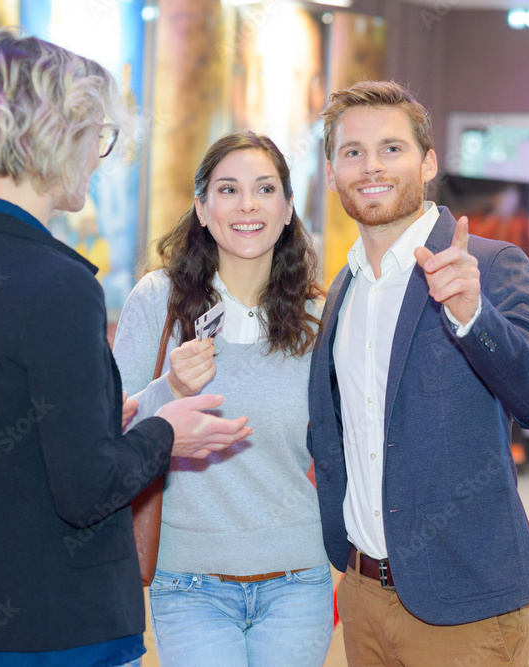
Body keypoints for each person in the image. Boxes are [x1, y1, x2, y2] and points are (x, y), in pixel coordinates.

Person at [0, 28, 251, 666]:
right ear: (55, 134)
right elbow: (86, 490)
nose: (99, 157)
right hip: (57, 626)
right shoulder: (58, 283)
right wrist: (164, 433)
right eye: (97, 134)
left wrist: (95, 426)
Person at [308, 80, 529, 665]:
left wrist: (474, 316)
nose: (371, 166)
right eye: (352, 152)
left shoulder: (491, 265)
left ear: (427, 163)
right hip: (361, 594)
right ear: (332, 173)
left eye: (392, 148)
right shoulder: (343, 290)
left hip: (466, 603)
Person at [113, 131, 333, 666]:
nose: (247, 205)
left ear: (286, 211)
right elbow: (109, 431)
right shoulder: (158, 301)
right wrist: (171, 389)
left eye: (264, 189)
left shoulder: (317, 317)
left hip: (298, 580)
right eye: (228, 189)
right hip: (189, 584)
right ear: (202, 209)